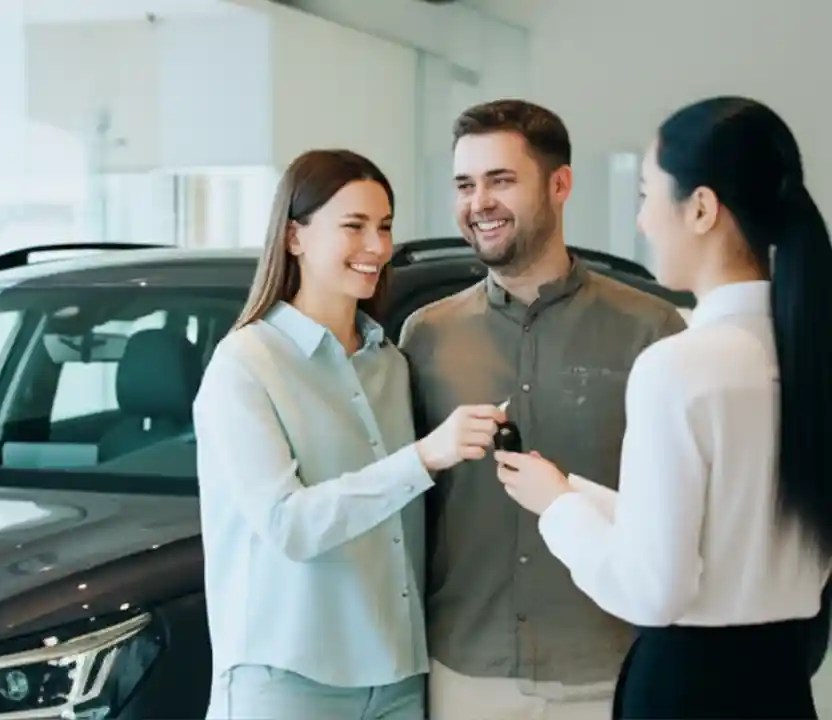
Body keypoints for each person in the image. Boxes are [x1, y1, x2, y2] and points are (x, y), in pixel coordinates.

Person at [496, 96, 832, 719]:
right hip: (785, 685)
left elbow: (653, 591)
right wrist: (574, 491)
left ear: (701, 208)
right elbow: (727, 529)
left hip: (689, 690)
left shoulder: (680, 366)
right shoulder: (809, 358)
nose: (643, 221)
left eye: (648, 195)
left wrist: (558, 509)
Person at [397, 99, 686, 720]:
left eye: (501, 180)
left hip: (607, 666)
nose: (479, 203)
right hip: (466, 670)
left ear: (561, 184)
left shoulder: (652, 330)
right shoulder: (425, 336)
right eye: (465, 185)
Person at [194, 148, 504, 720]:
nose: (377, 248)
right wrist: (424, 458)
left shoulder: (390, 362)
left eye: (384, 227)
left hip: (397, 677)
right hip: (289, 680)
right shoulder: (246, 363)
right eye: (354, 226)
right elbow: (290, 525)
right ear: (294, 237)